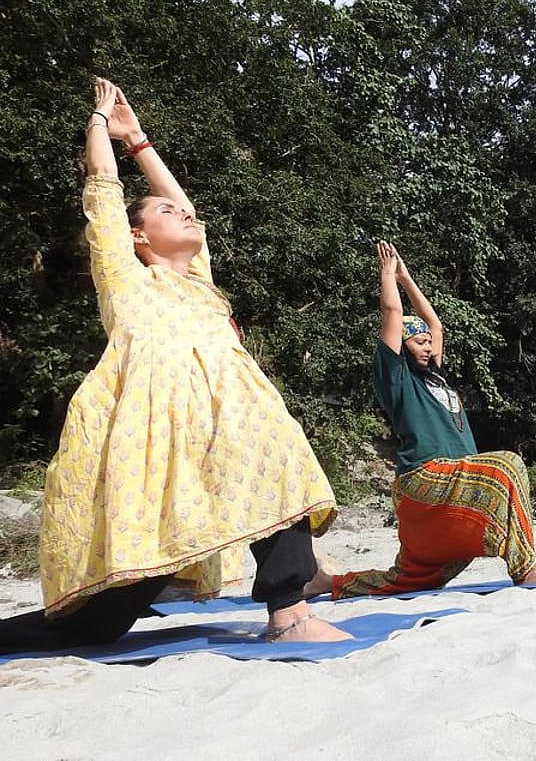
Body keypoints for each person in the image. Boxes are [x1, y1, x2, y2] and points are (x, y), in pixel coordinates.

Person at [0, 78, 349, 652]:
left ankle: (289, 610)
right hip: (155, 441)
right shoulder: (127, 278)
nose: (185, 215)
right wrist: (98, 123)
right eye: (166, 212)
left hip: (229, 422)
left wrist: (139, 141)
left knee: (278, 457)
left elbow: (186, 209)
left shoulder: (198, 286)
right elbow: (104, 193)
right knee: (100, 622)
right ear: (137, 235)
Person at [304, 241, 536, 599]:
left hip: (454, 488)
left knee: (410, 579)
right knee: (507, 467)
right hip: (424, 481)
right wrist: (387, 275)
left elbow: (436, 325)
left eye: (429, 342)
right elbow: (393, 314)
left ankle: (328, 582)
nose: (428, 346)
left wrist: (407, 277)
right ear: (403, 347)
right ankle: (526, 569)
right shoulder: (396, 379)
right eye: (419, 342)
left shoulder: (435, 378)